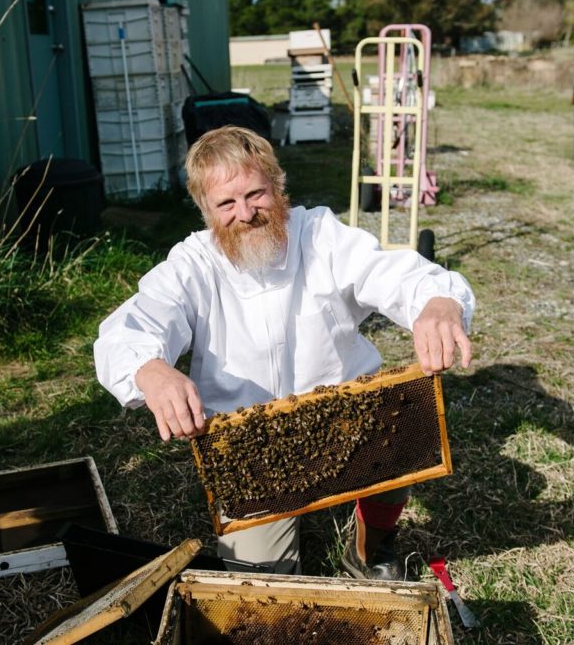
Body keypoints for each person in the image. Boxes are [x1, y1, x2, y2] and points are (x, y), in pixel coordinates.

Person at [94, 125, 475, 579]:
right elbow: (134, 324)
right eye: (226, 204)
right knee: (266, 582)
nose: (246, 213)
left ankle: (368, 549)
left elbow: (395, 272)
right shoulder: (191, 265)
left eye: (256, 194)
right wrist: (150, 368)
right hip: (250, 446)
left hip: (345, 419)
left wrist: (437, 301)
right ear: (205, 210)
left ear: (279, 187)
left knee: (402, 431)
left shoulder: (321, 236)